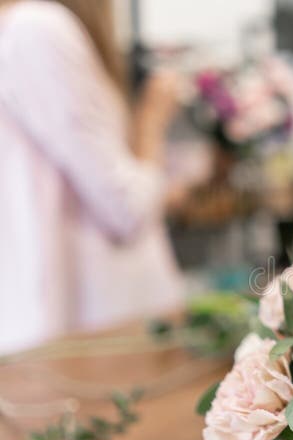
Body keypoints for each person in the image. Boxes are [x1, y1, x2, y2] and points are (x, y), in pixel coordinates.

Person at [0, 0, 184, 353]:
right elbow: (126, 209)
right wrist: (153, 119)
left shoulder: (26, 30)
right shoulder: (35, 30)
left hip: (91, 333)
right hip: (100, 335)